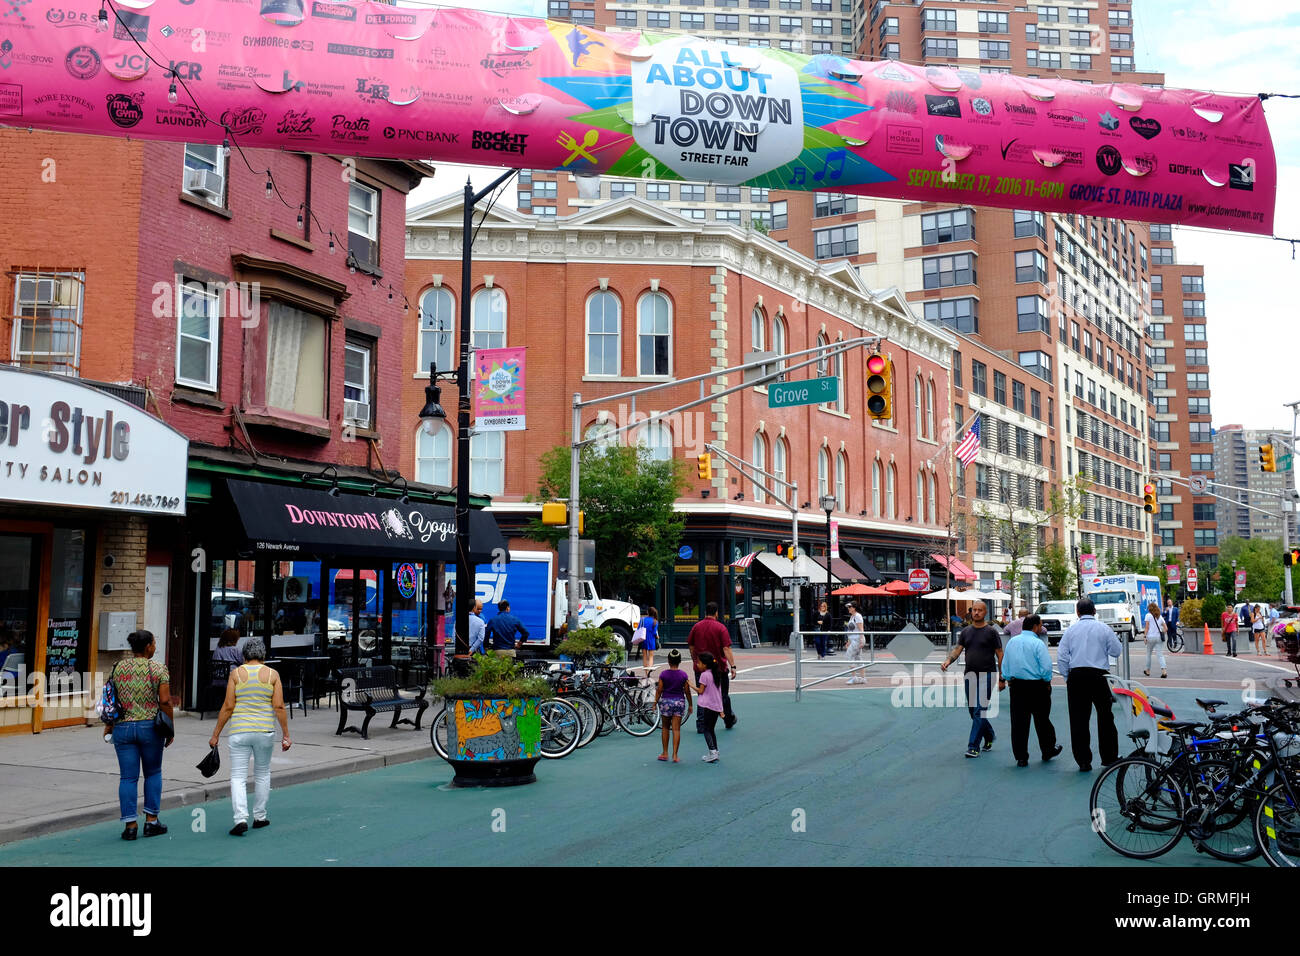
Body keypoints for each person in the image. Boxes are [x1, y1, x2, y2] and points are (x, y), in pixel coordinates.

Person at [208, 638, 291, 836]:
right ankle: (260, 816)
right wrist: (286, 734)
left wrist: (216, 734)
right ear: (263, 655)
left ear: (244, 655)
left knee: (238, 776)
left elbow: (228, 706)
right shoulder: (273, 674)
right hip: (264, 731)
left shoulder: (236, 674)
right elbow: (278, 706)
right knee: (262, 773)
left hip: (239, 731)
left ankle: (240, 819)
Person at [106, 630, 172, 840]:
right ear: (148, 647)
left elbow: (110, 698)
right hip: (149, 727)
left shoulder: (118, 668)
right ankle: (151, 821)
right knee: (153, 772)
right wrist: (170, 727)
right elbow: (165, 701)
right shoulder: (158, 669)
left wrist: (109, 724)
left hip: (123, 727)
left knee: (128, 777)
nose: (155, 647)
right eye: (154, 643)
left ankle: (130, 825)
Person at [1057, 598, 1122, 772]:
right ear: (1094, 611)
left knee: (1078, 720)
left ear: (1077, 612)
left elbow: (1062, 657)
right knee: (1105, 717)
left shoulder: (1070, 631)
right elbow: (1116, 650)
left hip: (1077, 676)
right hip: (1099, 675)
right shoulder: (1104, 628)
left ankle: (1083, 761)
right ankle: (1109, 757)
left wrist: (1067, 677)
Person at [940, 601, 1003, 758]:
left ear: (985, 613)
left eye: (979, 610)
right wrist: (948, 661)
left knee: (979, 710)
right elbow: (957, 650)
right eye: (974, 610)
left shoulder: (991, 632)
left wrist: (1002, 677)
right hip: (970, 676)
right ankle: (988, 735)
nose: (976, 613)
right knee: (973, 711)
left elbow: (1000, 654)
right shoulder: (966, 632)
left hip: (988, 675)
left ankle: (973, 746)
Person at [998, 614, 1061, 767]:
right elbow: (1046, 667)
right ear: (1035, 627)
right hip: (1037, 686)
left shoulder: (1013, 642)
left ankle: (1021, 757)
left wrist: (1006, 678)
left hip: (1017, 686)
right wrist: (1046, 681)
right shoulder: (1038, 643)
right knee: (1042, 720)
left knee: (1019, 723)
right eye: (1040, 625)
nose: (1041, 628)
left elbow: (1005, 664)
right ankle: (1047, 750)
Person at [686, 602, 737, 729]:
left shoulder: (696, 627)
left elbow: (691, 646)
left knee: (702, 695)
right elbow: (726, 648)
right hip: (718, 667)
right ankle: (728, 719)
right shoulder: (721, 628)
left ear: (705, 613)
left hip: (701, 668)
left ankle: (701, 723)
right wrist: (733, 666)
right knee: (723, 694)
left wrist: (695, 660)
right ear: (716, 613)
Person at [653, 649, 692, 762]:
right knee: (676, 729)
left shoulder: (664, 674)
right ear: (679, 661)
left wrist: (655, 703)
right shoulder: (683, 675)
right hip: (679, 702)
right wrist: (690, 704)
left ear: (668, 661)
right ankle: (675, 755)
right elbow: (687, 691)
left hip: (666, 702)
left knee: (665, 727)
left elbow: (659, 690)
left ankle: (665, 753)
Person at [691, 651, 725, 763]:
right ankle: (715, 751)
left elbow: (701, 691)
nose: (697, 664)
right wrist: (721, 709)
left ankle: (712, 751)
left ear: (705, 664)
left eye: (699, 663)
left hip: (708, 706)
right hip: (715, 706)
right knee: (711, 729)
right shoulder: (716, 674)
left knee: (706, 729)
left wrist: (690, 684)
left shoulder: (704, 675)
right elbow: (718, 692)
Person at [1142, 601, 1167, 679]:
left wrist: (1145, 636)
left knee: (1149, 654)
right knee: (1160, 655)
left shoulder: (1148, 616)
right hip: (1158, 637)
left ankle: (1148, 670)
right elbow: (1166, 628)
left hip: (1150, 637)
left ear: (1149, 609)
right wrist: (1162, 632)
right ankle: (1164, 671)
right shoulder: (1160, 617)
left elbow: (1147, 627)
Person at [844, 601, 866, 684]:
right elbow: (851, 630)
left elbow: (861, 629)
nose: (848, 608)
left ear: (854, 608)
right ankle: (862, 678)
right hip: (853, 640)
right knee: (858, 658)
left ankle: (854, 677)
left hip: (857, 640)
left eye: (850, 607)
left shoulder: (857, 616)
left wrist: (861, 640)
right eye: (848, 607)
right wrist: (849, 641)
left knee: (849, 656)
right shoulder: (852, 616)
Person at [639, 607, 660, 673]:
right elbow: (654, 633)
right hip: (651, 640)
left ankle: (646, 673)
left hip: (643, 639)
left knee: (644, 656)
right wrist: (657, 636)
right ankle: (649, 673)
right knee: (651, 657)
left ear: (648, 612)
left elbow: (638, 629)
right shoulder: (655, 621)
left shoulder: (642, 620)